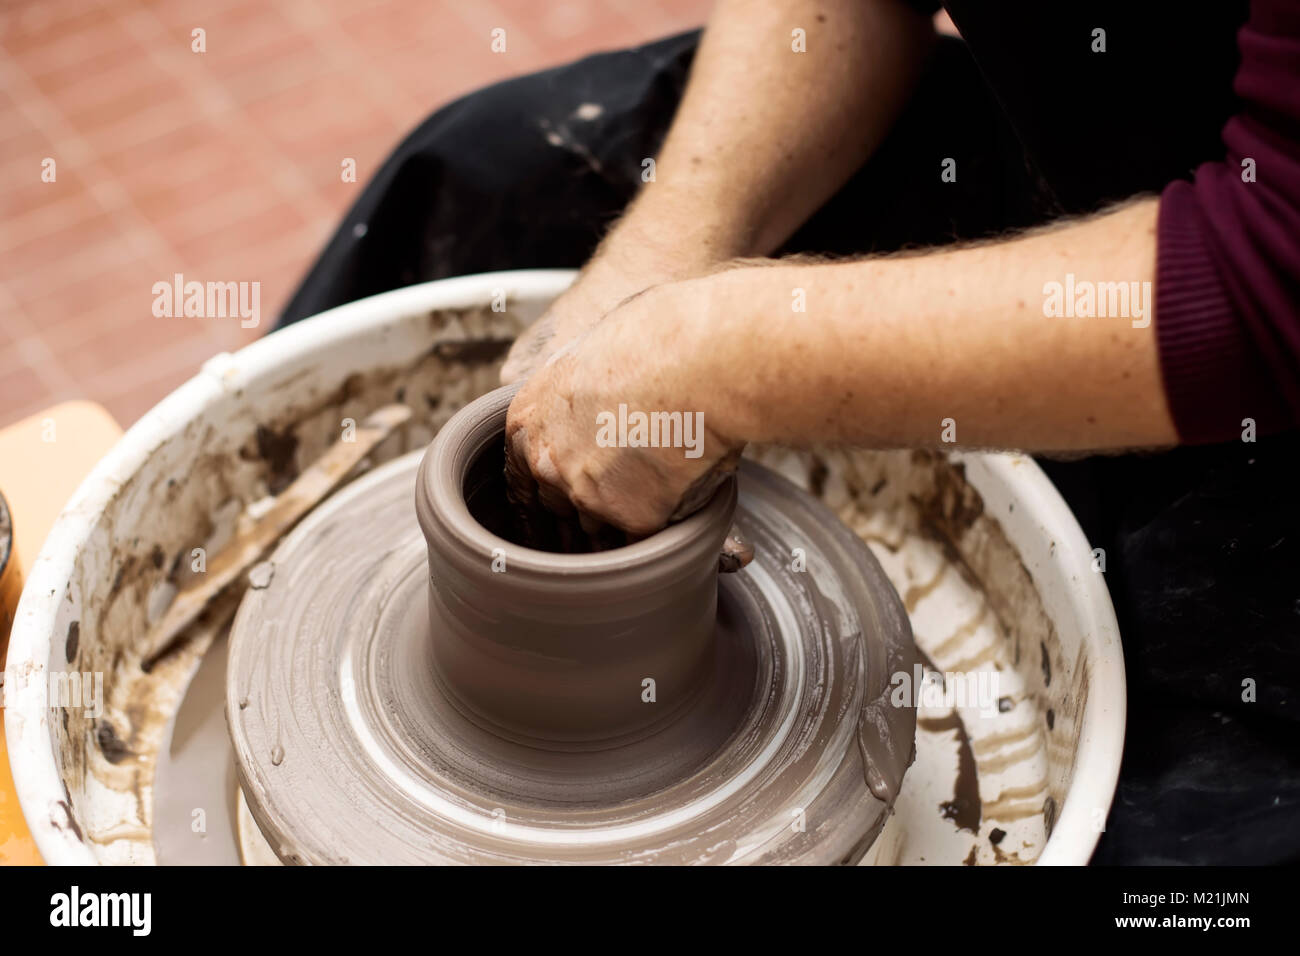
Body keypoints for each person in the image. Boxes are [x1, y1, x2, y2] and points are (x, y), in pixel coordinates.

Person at [280, 0, 1300, 863]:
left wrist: (720, 353)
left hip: (1257, 355)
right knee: (476, 179)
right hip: (1070, 139)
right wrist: (667, 257)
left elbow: (1272, 272)